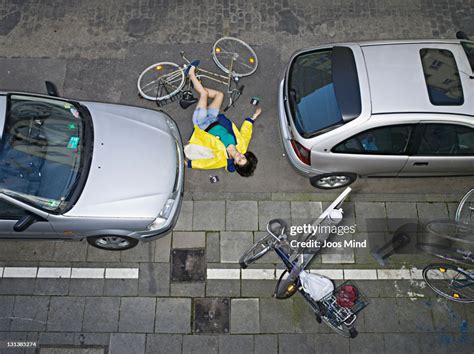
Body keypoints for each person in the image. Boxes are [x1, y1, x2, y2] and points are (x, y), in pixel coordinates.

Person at [184, 62, 261, 177]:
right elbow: (246, 133)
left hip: (201, 124)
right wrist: (254, 116)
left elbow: (206, 164)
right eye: (243, 157)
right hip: (213, 119)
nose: (240, 156)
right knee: (219, 95)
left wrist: (189, 164)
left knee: (204, 94)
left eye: (239, 160)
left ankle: (190, 73)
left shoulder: (222, 159)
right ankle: (195, 85)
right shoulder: (242, 146)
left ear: (235, 163)